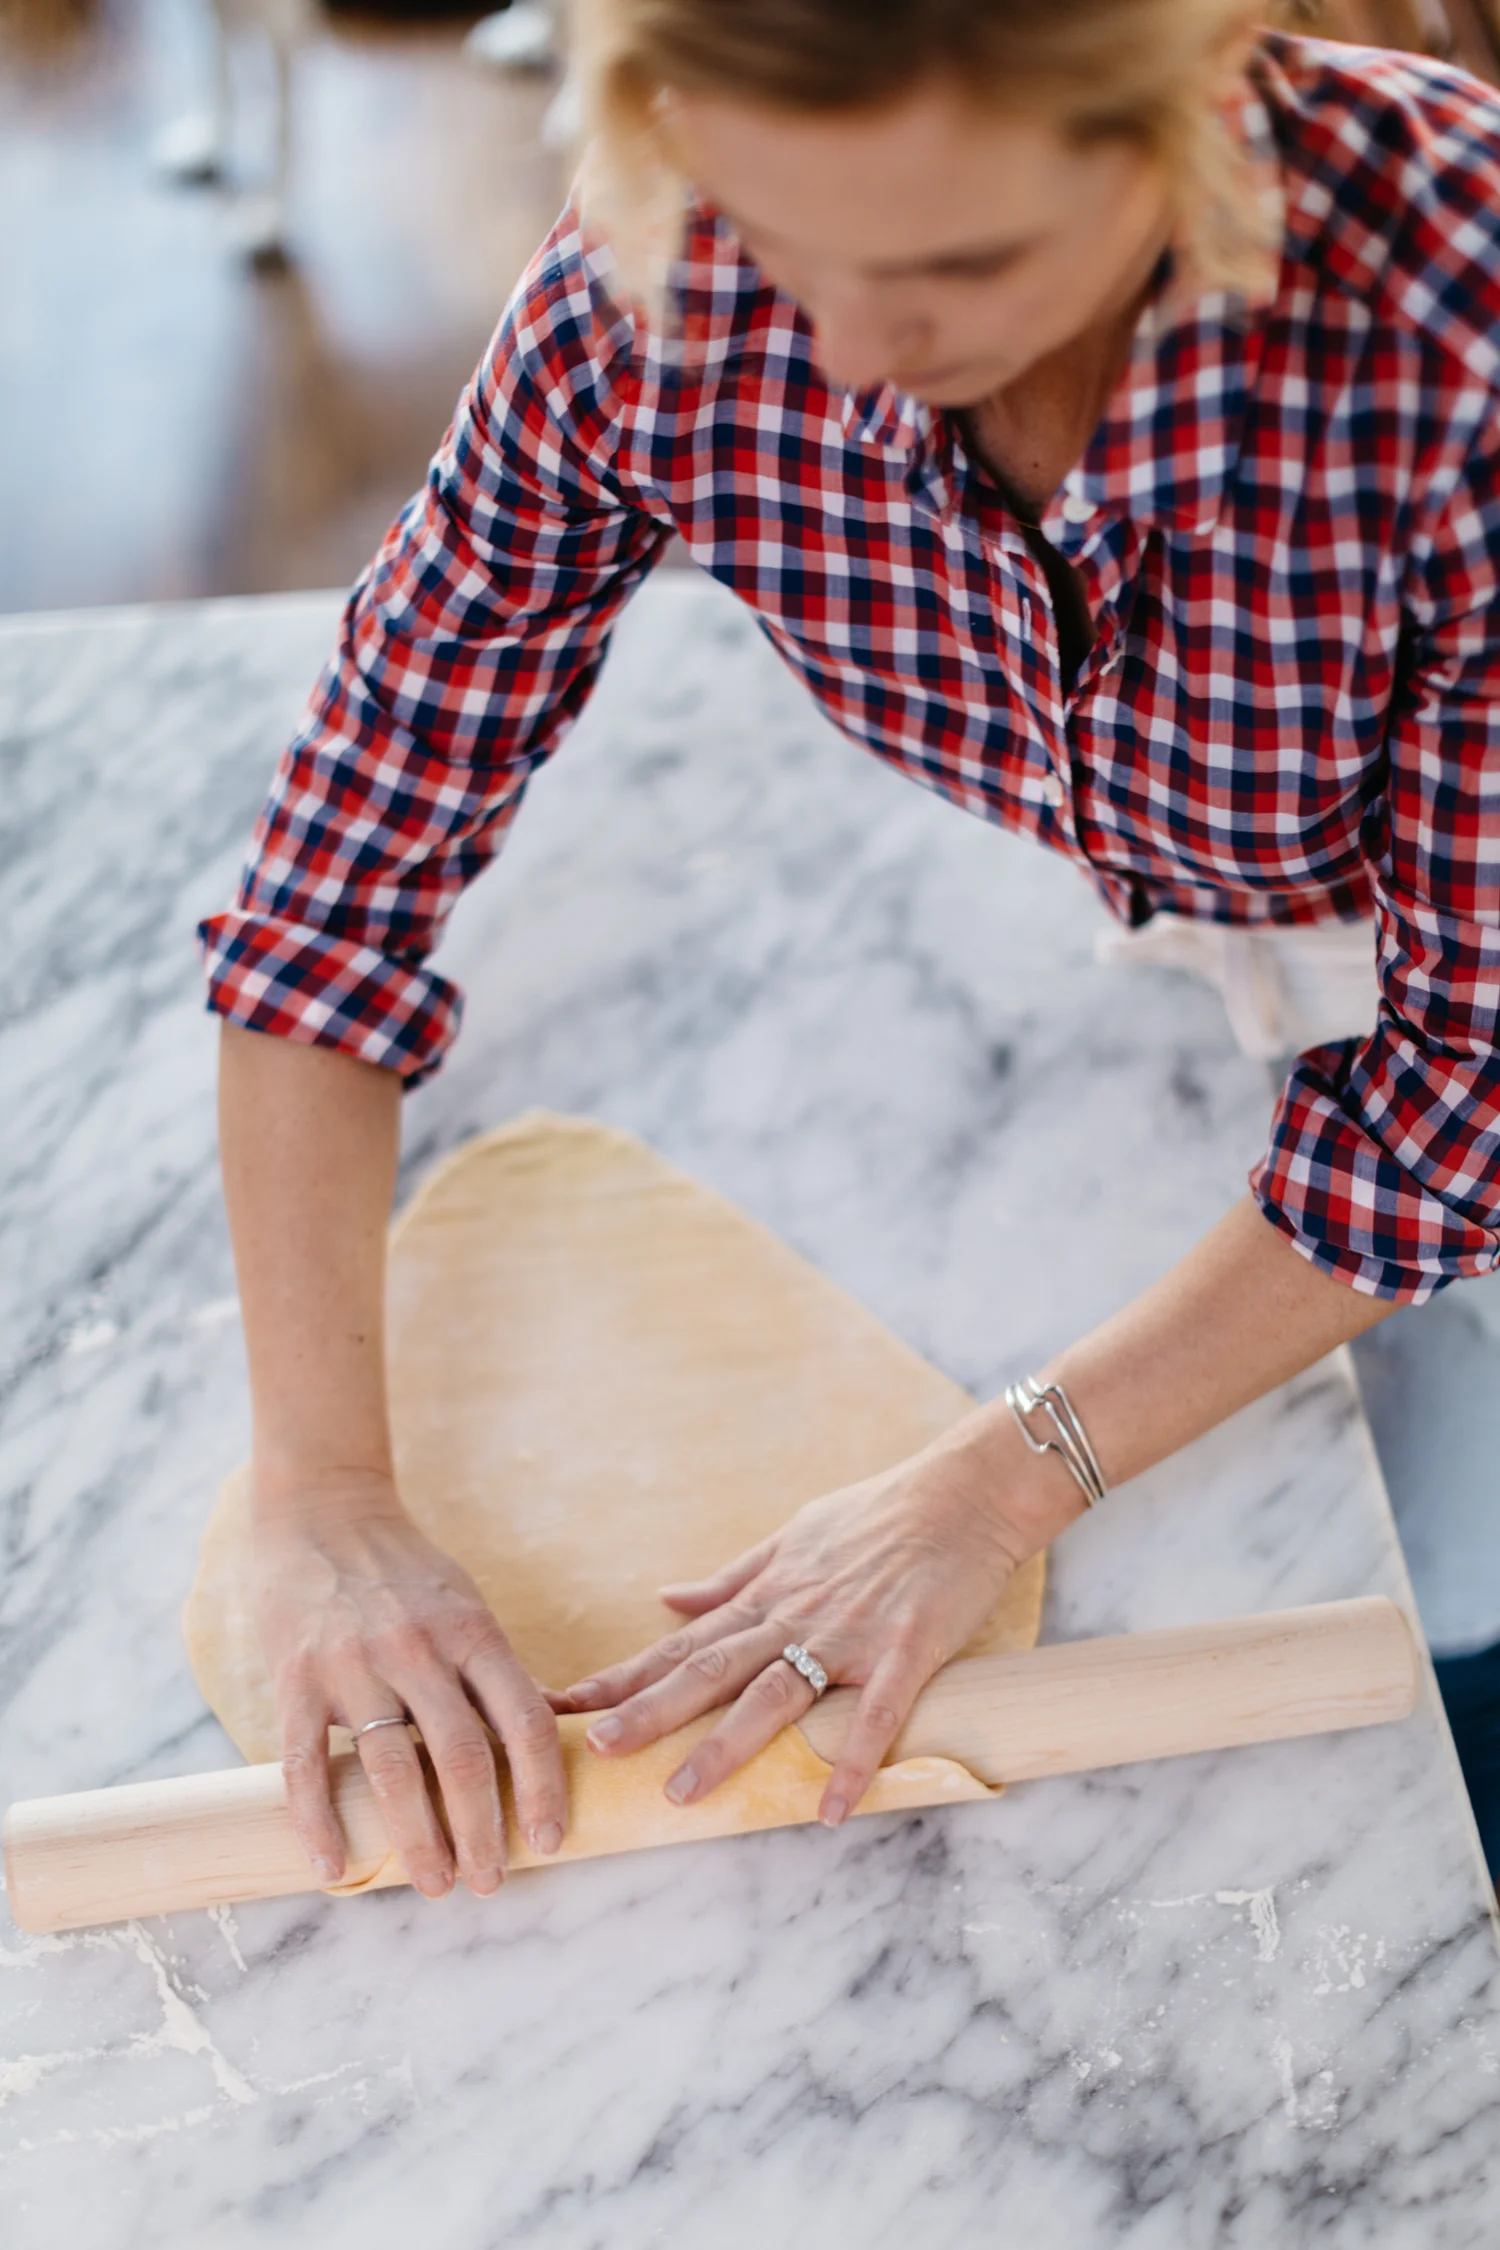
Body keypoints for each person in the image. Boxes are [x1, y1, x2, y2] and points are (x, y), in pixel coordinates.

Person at [200, 0, 1500, 1902]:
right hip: (1204, 942)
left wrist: (1000, 1475)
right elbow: (336, 880)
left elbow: (1460, 1094)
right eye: (792, 248)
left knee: (1433, 1639)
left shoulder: (1452, 329)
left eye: (964, 264)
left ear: (1198, 111)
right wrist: (319, 1495)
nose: (861, 357)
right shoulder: (663, 272)